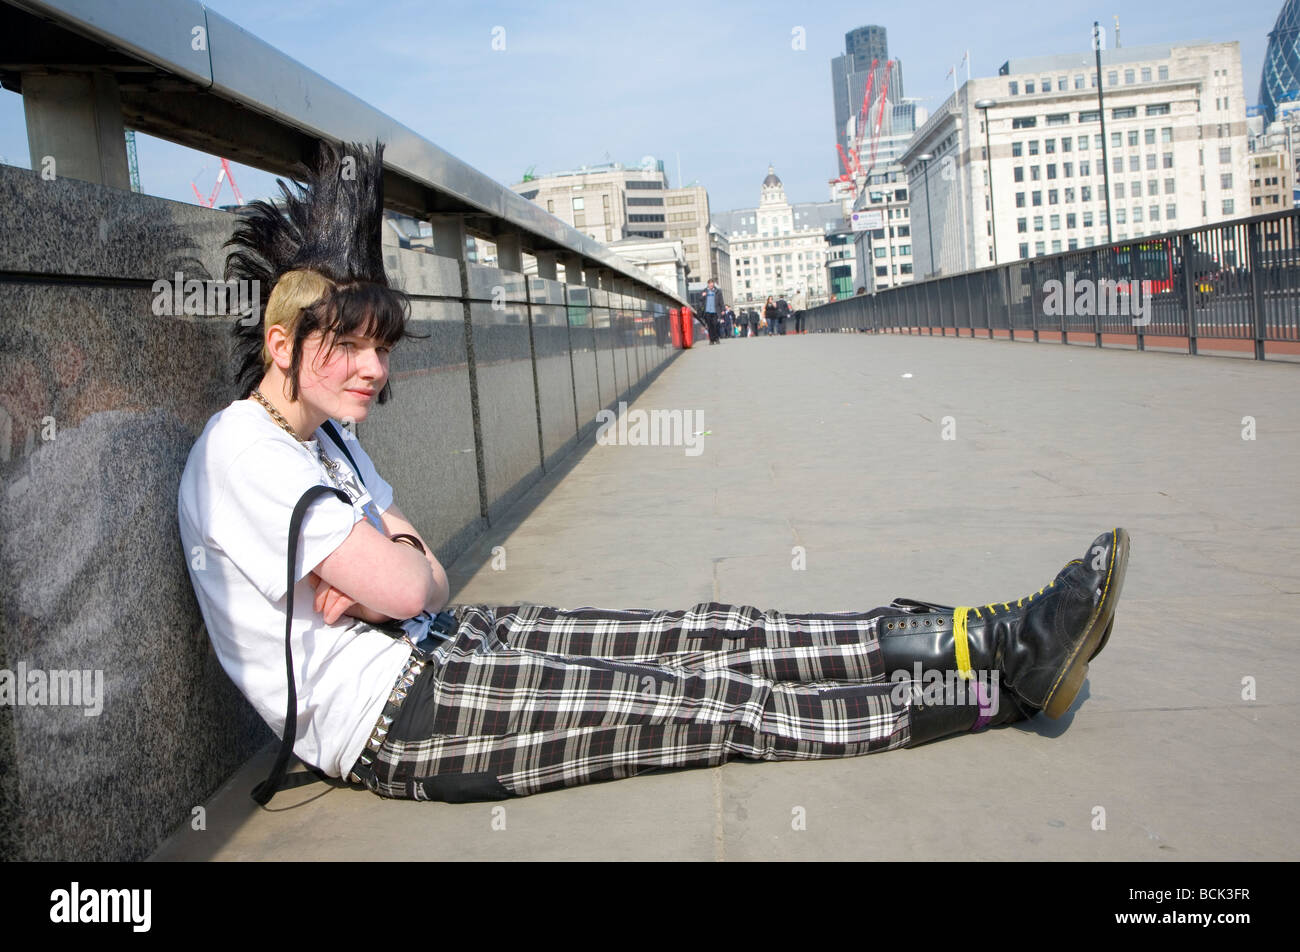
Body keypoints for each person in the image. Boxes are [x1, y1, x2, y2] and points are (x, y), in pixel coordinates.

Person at [179, 142, 1131, 805]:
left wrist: (390, 574)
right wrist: (394, 567)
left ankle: (999, 633)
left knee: (713, 632)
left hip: (442, 640)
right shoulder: (243, 451)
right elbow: (405, 568)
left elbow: (408, 574)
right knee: (705, 704)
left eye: (381, 347)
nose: (373, 369)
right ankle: (1000, 692)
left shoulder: (327, 442)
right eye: (346, 345)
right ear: (280, 340)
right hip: (395, 718)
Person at [700, 278, 724, 345]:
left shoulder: (717, 291)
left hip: (715, 311)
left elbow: (721, 301)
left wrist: (723, 309)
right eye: (710, 284)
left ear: (713, 284)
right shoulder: (704, 291)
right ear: (708, 284)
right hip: (707, 311)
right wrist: (702, 296)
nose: (711, 286)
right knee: (710, 327)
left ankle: (717, 338)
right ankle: (711, 340)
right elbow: (700, 300)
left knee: (716, 325)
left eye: (712, 284)